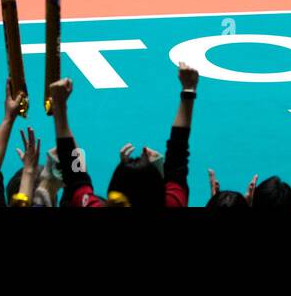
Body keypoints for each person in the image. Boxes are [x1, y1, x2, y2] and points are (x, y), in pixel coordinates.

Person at [48, 62, 198, 207]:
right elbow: (177, 154)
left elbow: (76, 179)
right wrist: (188, 90)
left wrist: (59, 106)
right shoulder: (173, 202)